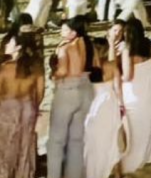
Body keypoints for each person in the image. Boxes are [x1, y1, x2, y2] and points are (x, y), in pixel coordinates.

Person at [48, 16, 95, 178]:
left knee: (56, 139)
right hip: (86, 88)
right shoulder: (87, 44)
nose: (62, 31)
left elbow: (64, 71)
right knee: (77, 139)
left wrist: (53, 73)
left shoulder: (65, 47)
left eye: (65, 29)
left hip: (68, 88)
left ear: (73, 32)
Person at [115, 17, 151, 173]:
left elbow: (127, 76)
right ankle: (148, 154)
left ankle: (132, 159)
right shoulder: (148, 43)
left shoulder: (128, 49)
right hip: (150, 79)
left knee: (134, 122)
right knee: (148, 117)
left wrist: (115, 77)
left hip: (136, 86)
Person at [0, 25, 44, 178]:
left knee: (6, 148)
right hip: (28, 107)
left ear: (18, 47)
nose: (5, 45)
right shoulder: (35, 67)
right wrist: (35, 107)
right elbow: (40, 91)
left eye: (9, 43)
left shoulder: (4, 68)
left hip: (7, 109)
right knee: (25, 147)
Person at [83, 38, 123, 178]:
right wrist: (121, 106)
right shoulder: (112, 66)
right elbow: (118, 89)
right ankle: (117, 173)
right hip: (109, 102)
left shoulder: (86, 69)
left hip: (93, 105)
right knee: (111, 139)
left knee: (92, 141)